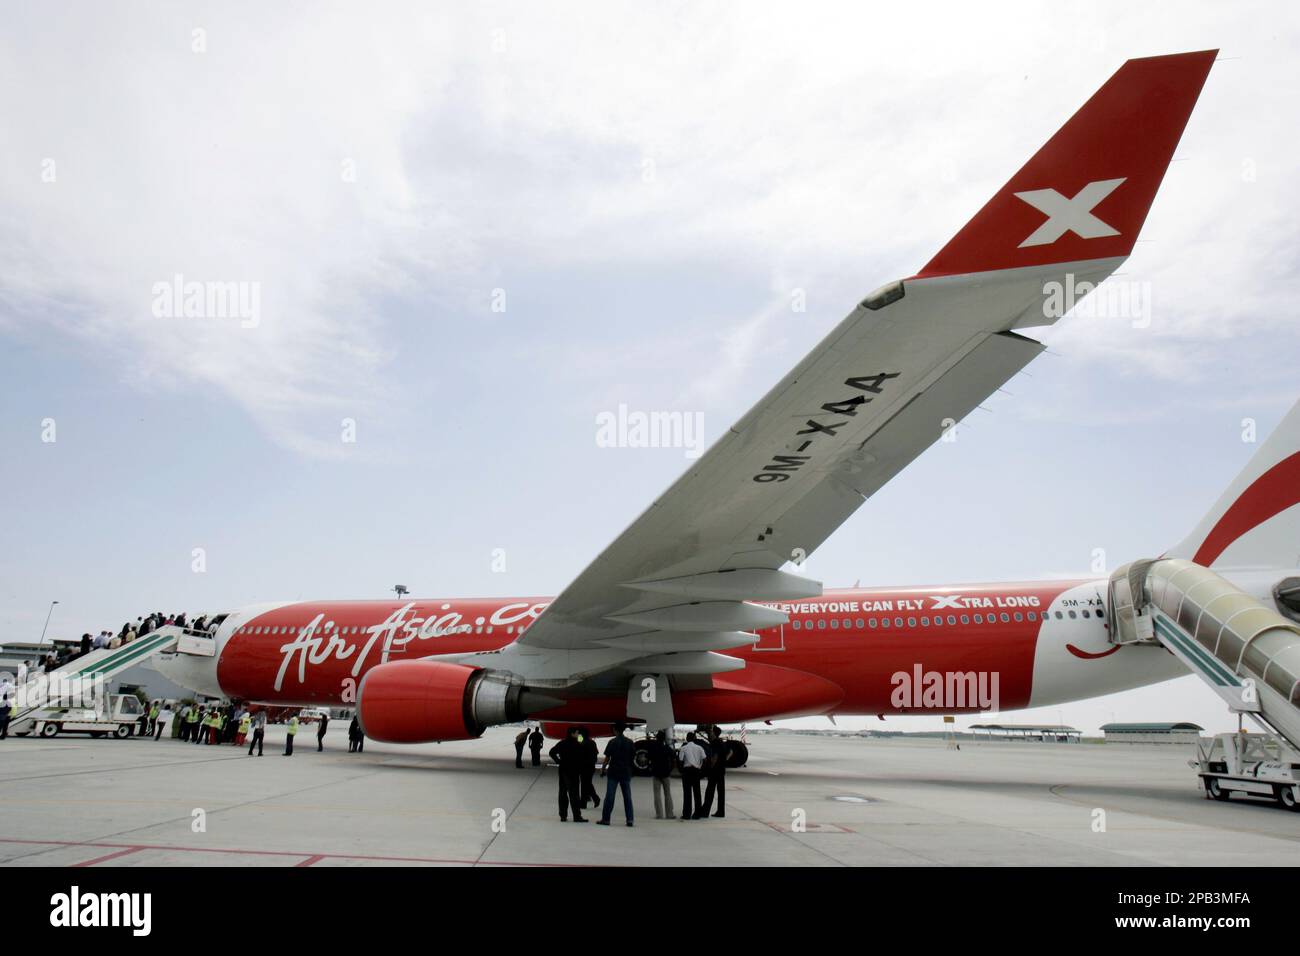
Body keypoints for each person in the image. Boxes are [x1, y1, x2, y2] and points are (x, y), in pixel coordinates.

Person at [597, 722, 636, 827]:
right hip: (626, 772)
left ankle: (606, 819)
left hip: (614, 772)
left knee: (610, 796)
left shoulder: (612, 742)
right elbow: (632, 757)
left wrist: (602, 770)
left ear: (615, 729)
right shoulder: (630, 742)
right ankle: (630, 819)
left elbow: (607, 758)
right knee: (627, 797)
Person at [548, 727, 587, 823]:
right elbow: (582, 759)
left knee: (562, 793)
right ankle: (577, 816)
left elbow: (552, 752)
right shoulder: (578, 744)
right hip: (573, 772)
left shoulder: (562, 743)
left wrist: (558, 761)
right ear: (572, 734)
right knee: (574, 795)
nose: (578, 734)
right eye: (577, 733)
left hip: (563, 770)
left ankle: (563, 816)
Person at [697, 727, 727, 819]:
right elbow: (729, 754)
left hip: (715, 771)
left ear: (714, 733)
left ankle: (705, 812)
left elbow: (715, 757)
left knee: (709, 791)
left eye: (711, 732)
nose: (710, 733)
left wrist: (709, 767)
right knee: (721, 792)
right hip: (722, 770)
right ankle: (721, 812)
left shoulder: (715, 743)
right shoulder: (721, 742)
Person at [678, 731, 706, 821]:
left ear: (687, 738)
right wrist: (701, 769)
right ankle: (697, 814)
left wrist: (682, 771)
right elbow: (705, 759)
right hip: (696, 771)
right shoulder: (700, 748)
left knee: (687, 793)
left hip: (687, 771)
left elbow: (680, 760)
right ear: (694, 739)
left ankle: (686, 814)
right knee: (697, 793)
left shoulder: (683, 748)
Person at [649, 730, 676, 820]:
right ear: (664, 739)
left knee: (657, 794)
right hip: (666, 773)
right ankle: (669, 814)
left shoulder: (653, 747)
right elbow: (673, 756)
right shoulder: (666, 748)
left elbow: (649, 757)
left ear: (656, 738)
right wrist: (670, 768)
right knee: (667, 794)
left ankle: (659, 814)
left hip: (656, 773)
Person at [579, 727, 601, 810]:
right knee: (587, 783)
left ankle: (592, 799)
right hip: (591, 766)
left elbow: (579, 748)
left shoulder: (582, 742)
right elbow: (596, 753)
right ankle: (588, 800)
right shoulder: (592, 742)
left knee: (585, 784)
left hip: (584, 766)